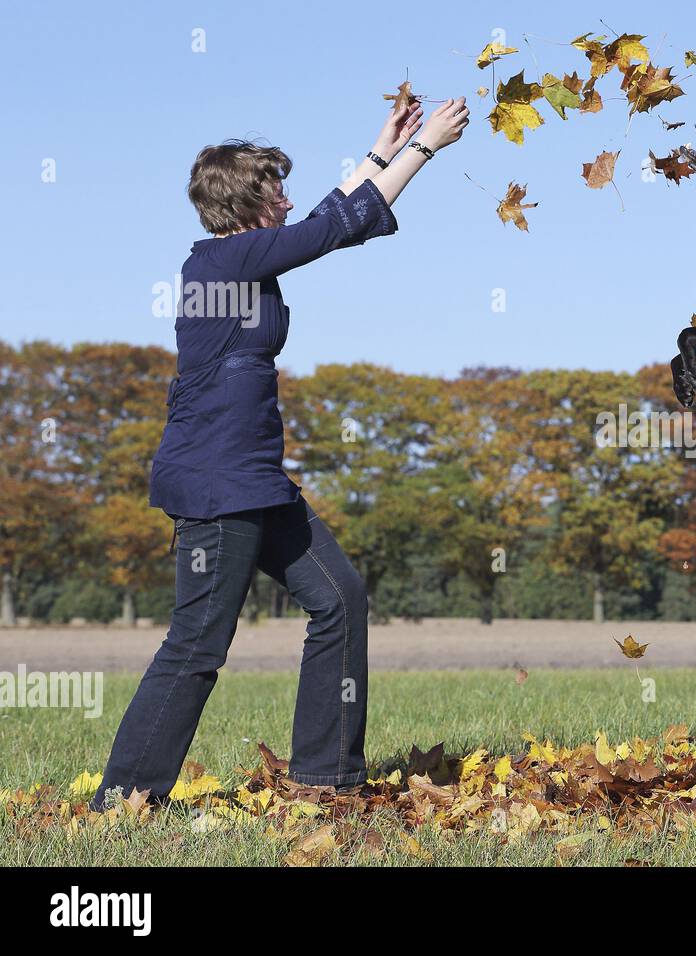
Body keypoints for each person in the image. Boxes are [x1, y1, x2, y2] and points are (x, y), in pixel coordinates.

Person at [88, 95, 470, 811]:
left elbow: (330, 215)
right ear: (247, 205)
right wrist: (426, 151)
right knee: (199, 642)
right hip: (214, 483)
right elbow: (331, 228)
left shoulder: (246, 258)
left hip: (258, 481)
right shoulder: (222, 262)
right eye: (276, 191)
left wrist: (382, 149)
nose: (287, 200)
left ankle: (326, 778)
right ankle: (123, 800)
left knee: (339, 597)